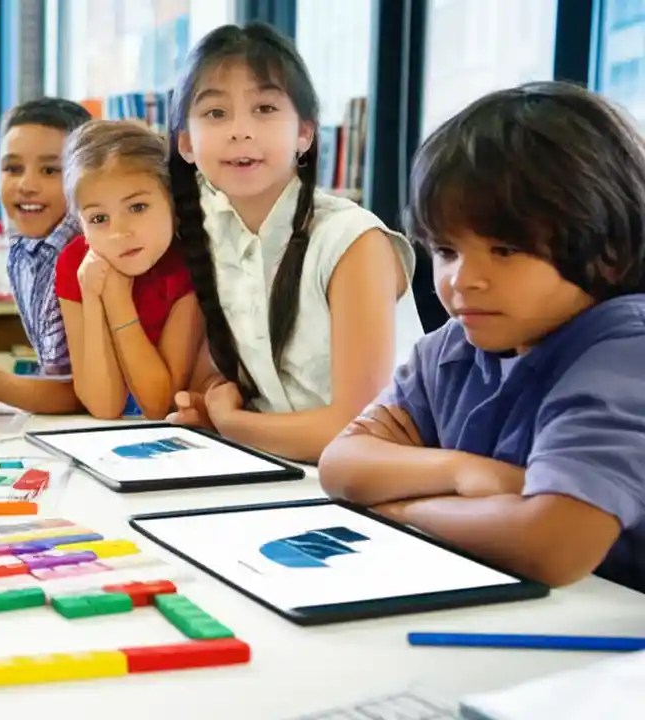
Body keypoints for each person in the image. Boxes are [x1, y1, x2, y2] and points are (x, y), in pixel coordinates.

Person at [319, 82, 645, 591]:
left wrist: (403, 508)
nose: (461, 280)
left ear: (609, 251)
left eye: (505, 250)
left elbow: (552, 546)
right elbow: (341, 465)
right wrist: (462, 472)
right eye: (447, 250)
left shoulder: (624, 353)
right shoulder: (457, 345)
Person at [165, 23, 422, 462]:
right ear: (186, 143)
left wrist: (235, 424)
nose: (240, 130)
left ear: (304, 134)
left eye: (265, 108)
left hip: (381, 487)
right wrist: (210, 408)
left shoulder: (352, 241)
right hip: (281, 473)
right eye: (215, 113)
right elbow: (208, 384)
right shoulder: (209, 238)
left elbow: (358, 428)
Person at [54, 120, 201, 419]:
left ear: (171, 201)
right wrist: (94, 297)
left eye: (137, 208)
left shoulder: (188, 264)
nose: (119, 233)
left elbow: (158, 404)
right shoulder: (75, 263)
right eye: (98, 219)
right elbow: (104, 406)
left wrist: (118, 299)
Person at [0, 98, 92, 414]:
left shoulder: (87, 256)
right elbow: (56, 374)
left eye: (50, 170)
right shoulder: (22, 250)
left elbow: (81, 394)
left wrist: (1, 386)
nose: (27, 185)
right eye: (12, 168)